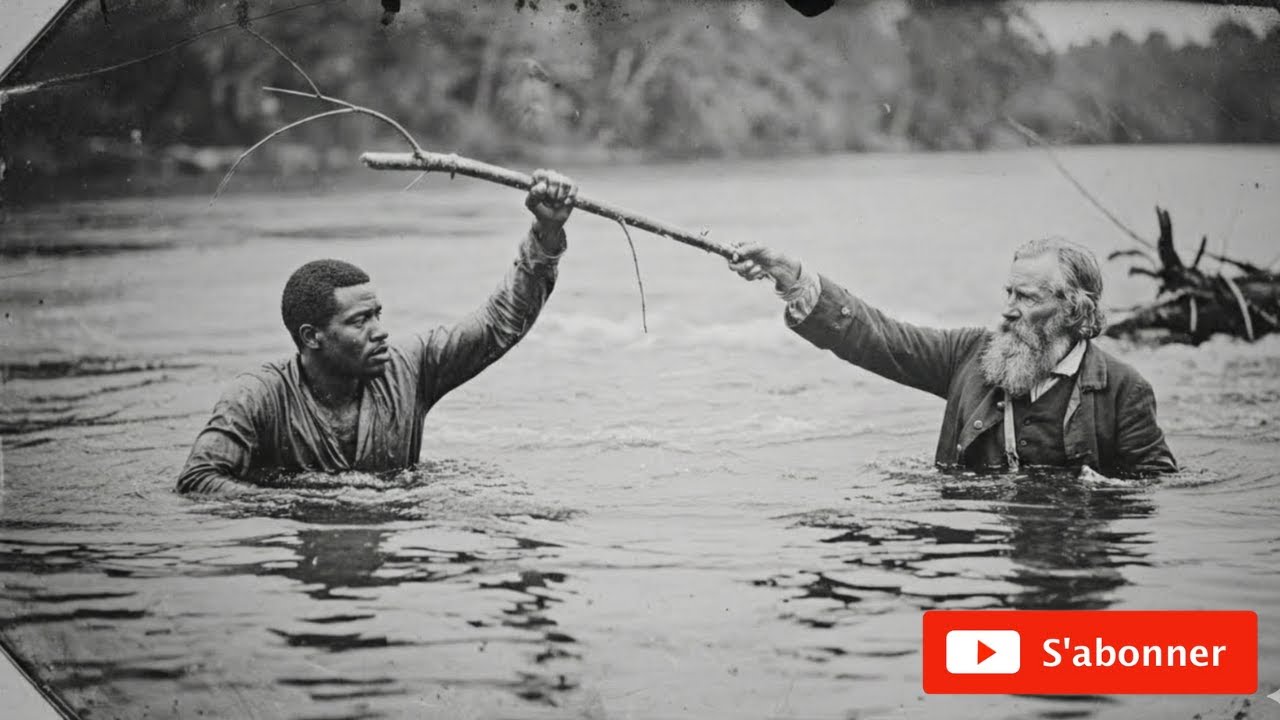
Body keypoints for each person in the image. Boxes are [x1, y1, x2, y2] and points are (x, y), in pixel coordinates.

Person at [176, 170, 578, 494]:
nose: (380, 332)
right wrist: (305, 503)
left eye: (378, 315)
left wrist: (545, 234)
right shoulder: (258, 396)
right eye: (359, 321)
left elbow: (498, 324)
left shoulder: (409, 369)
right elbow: (198, 480)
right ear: (312, 337)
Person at [727, 237, 1177, 477]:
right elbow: (882, 339)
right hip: (968, 556)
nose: (1008, 309)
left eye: (1026, 297)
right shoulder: (969, 355)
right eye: (1008, 292)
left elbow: (1156, 490)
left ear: (1073, 309)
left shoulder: (1123, 389)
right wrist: (794, 279)